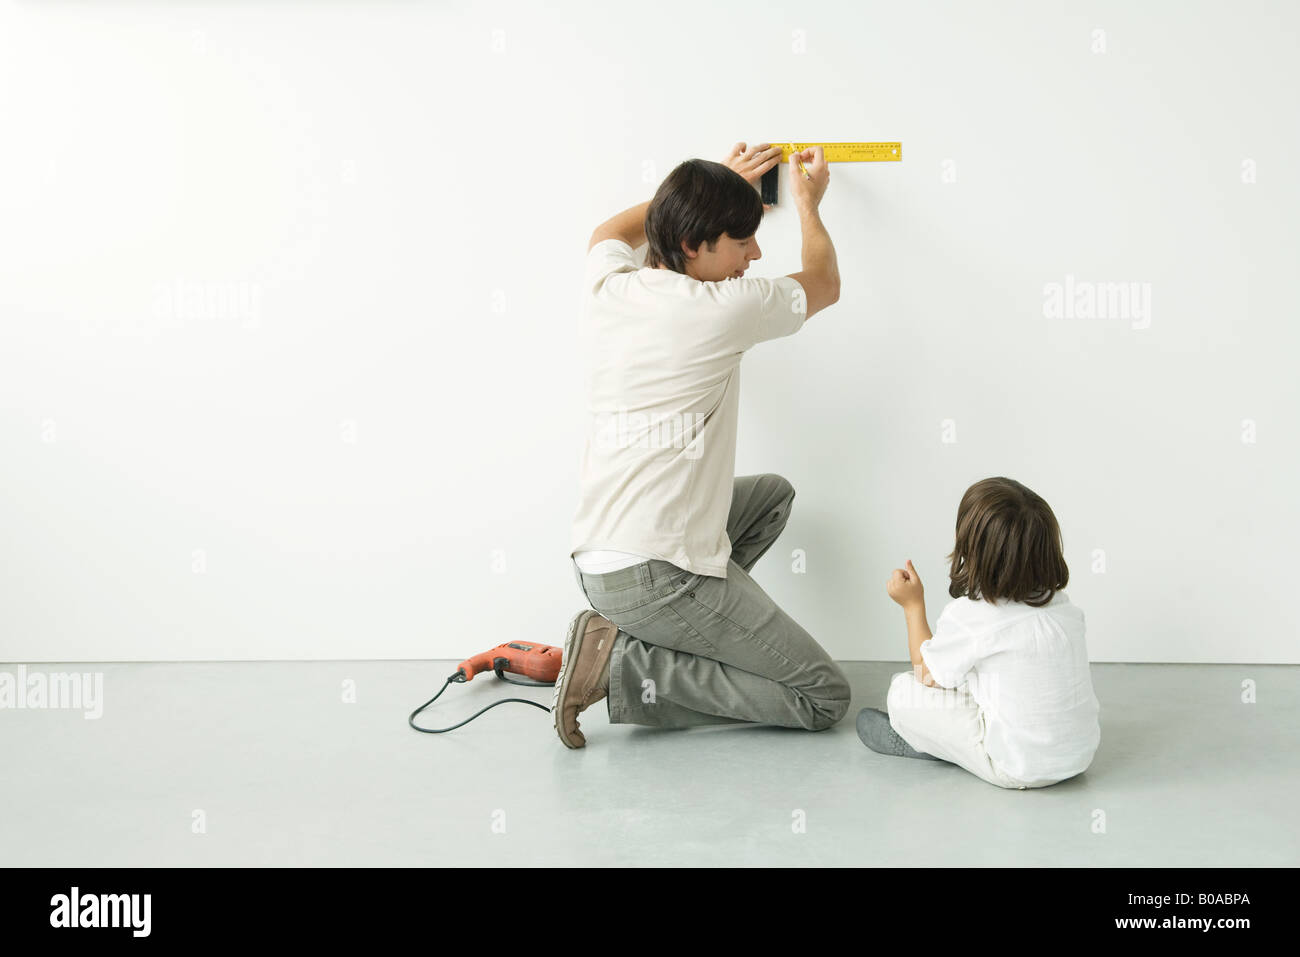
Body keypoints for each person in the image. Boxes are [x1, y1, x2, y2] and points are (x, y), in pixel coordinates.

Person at [553, 143, 851, 748]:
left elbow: (608, 229)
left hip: (597, 560)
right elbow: (824, 283)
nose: (757, 254)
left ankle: (661, 631)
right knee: (823, 697)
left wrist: (707, 189)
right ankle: (624, 669)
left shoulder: (609, 287)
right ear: (694, 244)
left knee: (772, 497)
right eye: (742, 240)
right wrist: (809, 203)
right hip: (652, 572)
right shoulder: (722, 309)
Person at [857, 477, 1102, 789]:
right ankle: (950, 742)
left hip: (1016, 767)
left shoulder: (973, 615)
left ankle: (932, 744)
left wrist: (912, 606)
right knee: (979, 677)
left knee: (903, 690)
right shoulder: (1064, 607)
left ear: (971, 549)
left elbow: (927, 674)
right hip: (1079, 756)